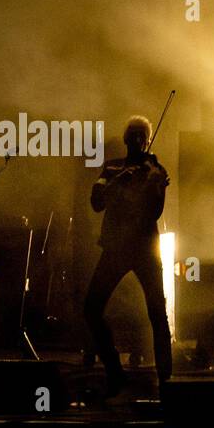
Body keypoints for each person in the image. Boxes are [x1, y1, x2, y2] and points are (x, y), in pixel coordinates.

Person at [84, 115, 172, 395]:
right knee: (91, 308)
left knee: (157, 313)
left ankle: (167, 379)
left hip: (145, 249)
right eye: (132, 135)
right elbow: (96, 203)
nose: (137, 140)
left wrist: (153, 183)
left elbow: (155, 212)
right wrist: (118, 183)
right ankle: (114, 372)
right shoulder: (111, 168)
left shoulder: (155, 169)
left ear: (147, 141)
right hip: (116, 250)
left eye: (141, 136)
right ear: (125, 139)